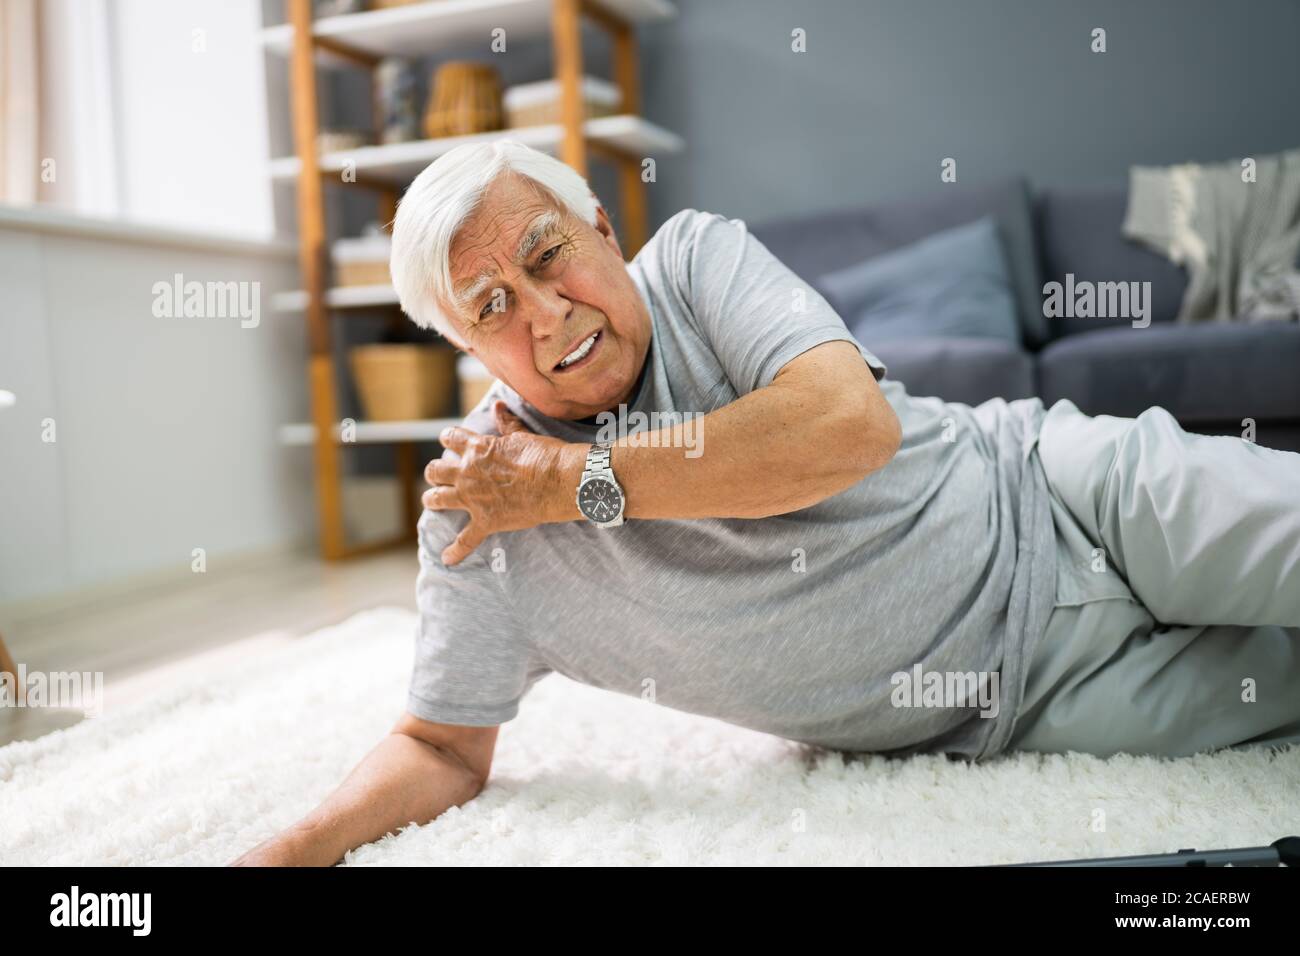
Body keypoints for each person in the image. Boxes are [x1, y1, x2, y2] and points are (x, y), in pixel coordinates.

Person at [229, 140, 1300, 867]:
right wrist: (287, 849)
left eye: (549, 255)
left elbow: (848, 425)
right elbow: (441, 746)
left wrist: (577, 484)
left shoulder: (696, 261)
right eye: (494, 307)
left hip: (1063, 493)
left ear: (601, 226)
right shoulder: (482, 510)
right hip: (1021, 699)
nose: (549, 314)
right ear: (469, 351)